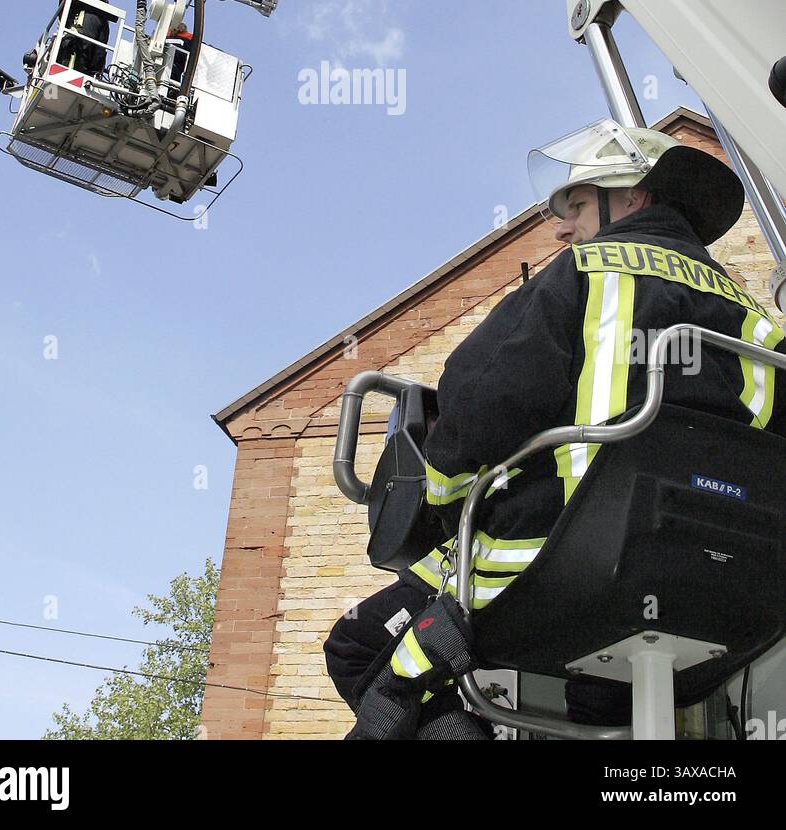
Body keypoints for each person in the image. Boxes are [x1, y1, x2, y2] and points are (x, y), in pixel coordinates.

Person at [324, 121, 786, 739]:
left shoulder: (585, 274)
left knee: (357, 644)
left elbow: (484, 399)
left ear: (632, 197)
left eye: (573, 203)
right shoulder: (753, 318)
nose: (562, 227)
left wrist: (436, 492)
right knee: (603, 700)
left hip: (564, 559)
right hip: (734, 591)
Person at [46, 0, 110, 78]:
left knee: (74, 52)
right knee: (96, 57)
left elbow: (64, 7)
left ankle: (67, 77)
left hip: (84, 21)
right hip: (103, 25)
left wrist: (63, 28)